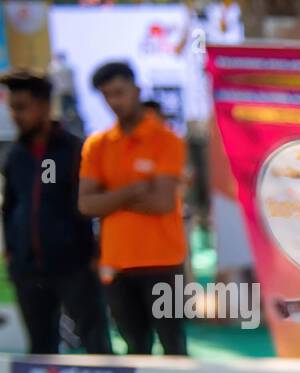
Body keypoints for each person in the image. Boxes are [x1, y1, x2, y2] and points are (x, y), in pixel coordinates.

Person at [78, 61, 188, 355]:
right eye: (107, 95)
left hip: (163, 260)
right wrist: (134, 189)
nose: (115, 101)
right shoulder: (97, 145)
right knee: (134, 347)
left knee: (173, 344)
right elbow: (86, 204)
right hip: (117, 261)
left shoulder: (167, 140)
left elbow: (162, 203)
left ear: (136, 90)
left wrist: (109, 199)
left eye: (120, 92)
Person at [1, 70, 111, 355]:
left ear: (43, 106)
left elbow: (90, 205)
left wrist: (95, 253)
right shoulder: (15, 155)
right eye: (12, 108)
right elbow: (11, 205)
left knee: (94, 341)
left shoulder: (74, 149)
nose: (15, 115)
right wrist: (13, 252)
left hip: (73, 264)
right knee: (40, 347)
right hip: (27, 268)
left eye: (21, 107)